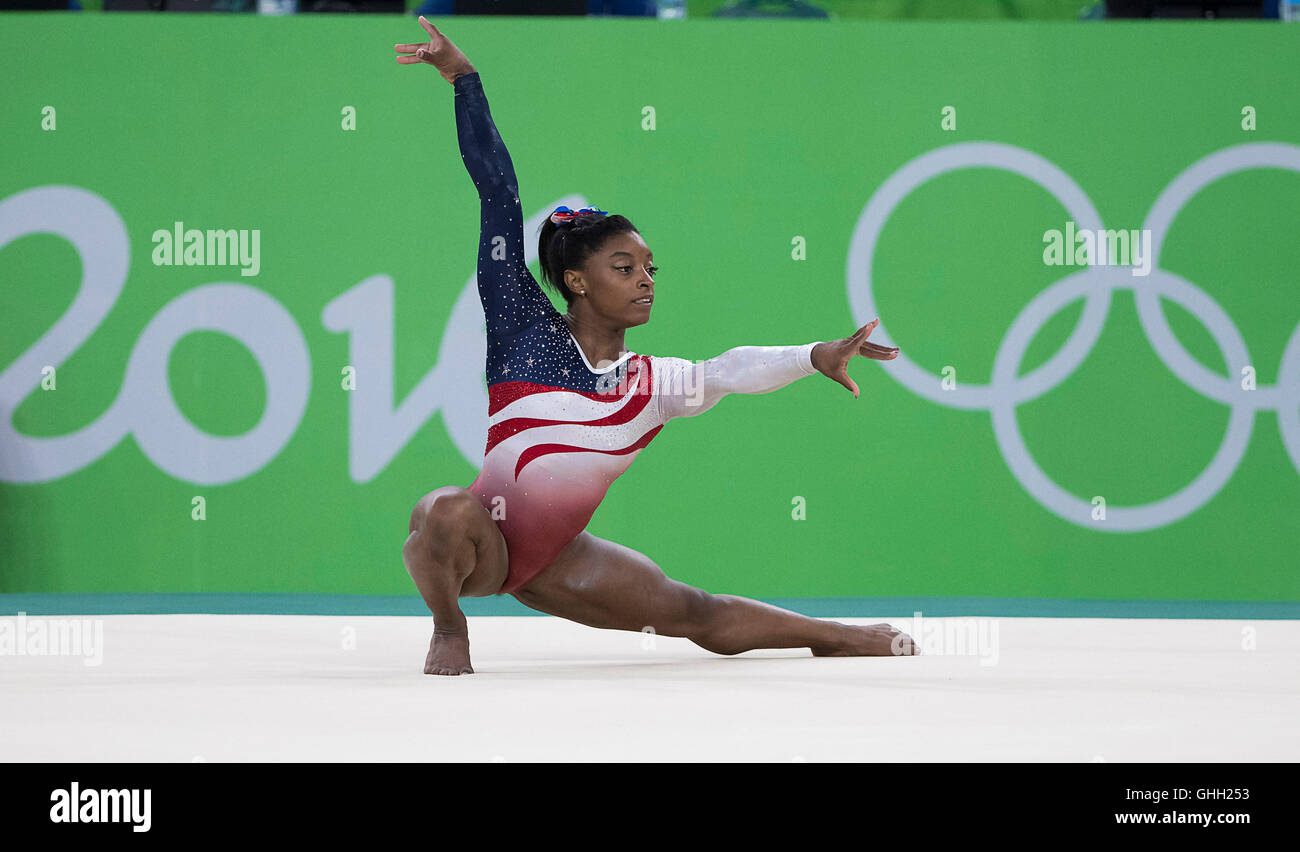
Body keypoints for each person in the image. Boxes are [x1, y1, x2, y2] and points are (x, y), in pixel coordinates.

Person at [395, 17, 918, 675]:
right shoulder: (522, 327)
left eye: (649, 269)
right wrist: (464, 81)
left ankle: (836, 635)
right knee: (441, 511)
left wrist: (812, 355)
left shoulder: (652, 384)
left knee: (696, 613)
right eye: (624, 267)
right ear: (577, 280)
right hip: (482, 545)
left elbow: (732, 371)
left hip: (555, 561)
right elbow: (498, 193)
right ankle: (450, 629)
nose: (644, 280)